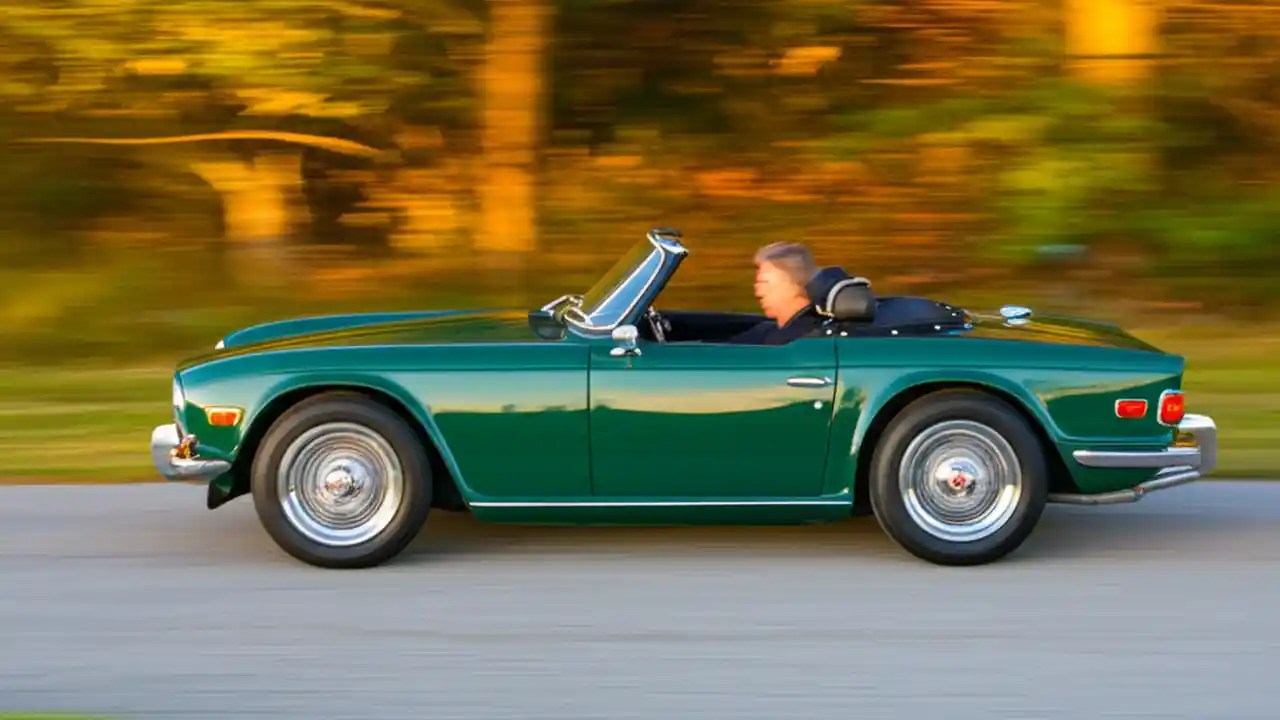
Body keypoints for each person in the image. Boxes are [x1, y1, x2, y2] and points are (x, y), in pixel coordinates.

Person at [725, 241, 825, 345]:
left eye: (764, 282)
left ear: (792, 285)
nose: (758, 293)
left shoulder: (793, 340)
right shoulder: (769, 331)